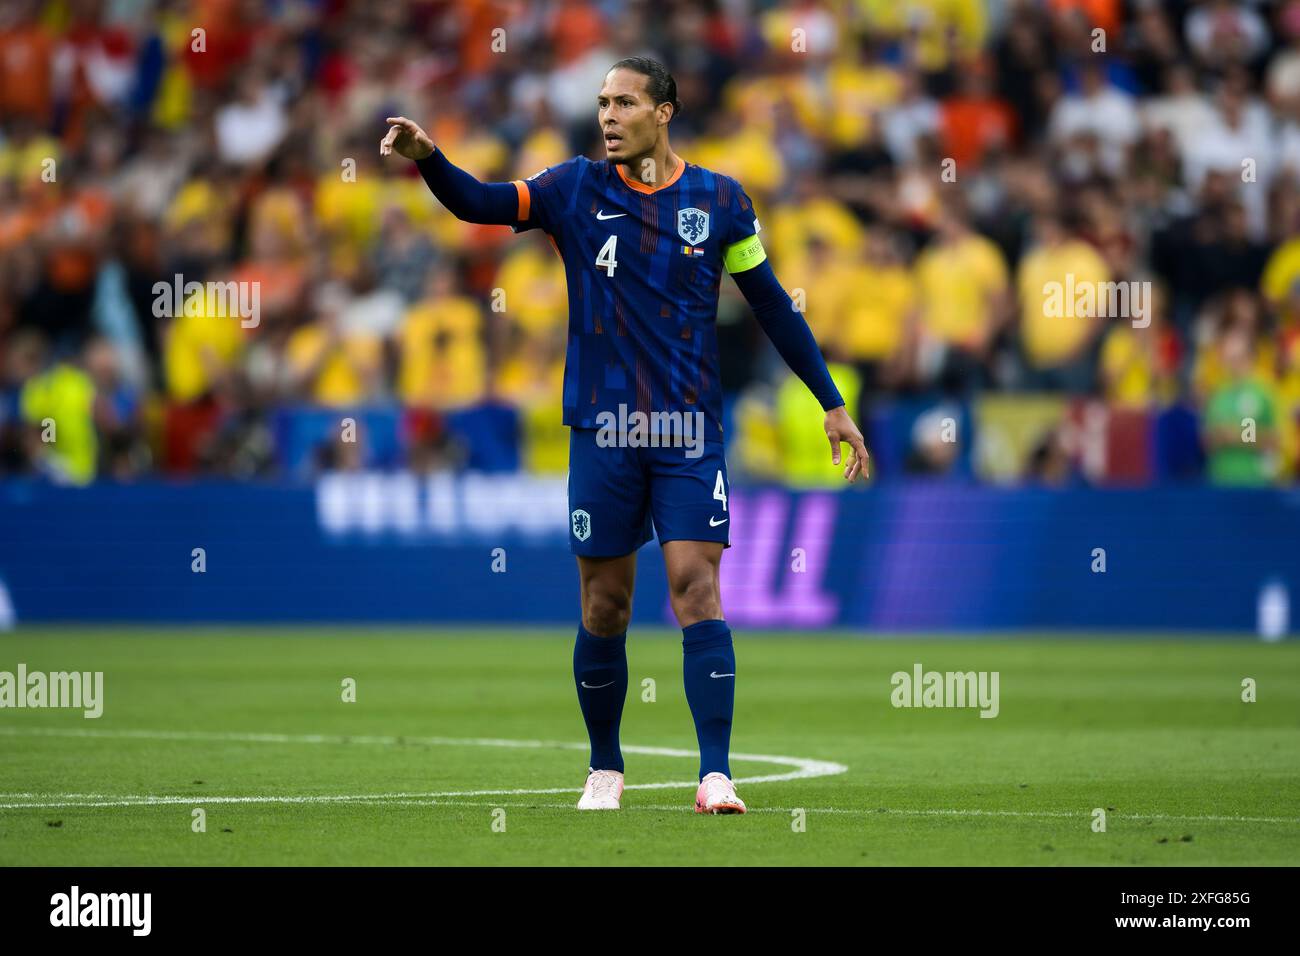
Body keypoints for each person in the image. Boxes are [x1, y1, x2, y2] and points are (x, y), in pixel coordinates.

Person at [381, 56, 869, 814]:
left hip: (687, 430)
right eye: (603, 102)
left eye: (625, 102)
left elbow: (772, 305)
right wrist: (429, 159)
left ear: (663, 112)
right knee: (604, 603)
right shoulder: (573, 189)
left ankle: (715, 774)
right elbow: (479, 204)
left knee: (695, 587)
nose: (608, 115)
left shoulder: (721, 201)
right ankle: (605, 767)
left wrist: (830, 401)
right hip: (604, 430)